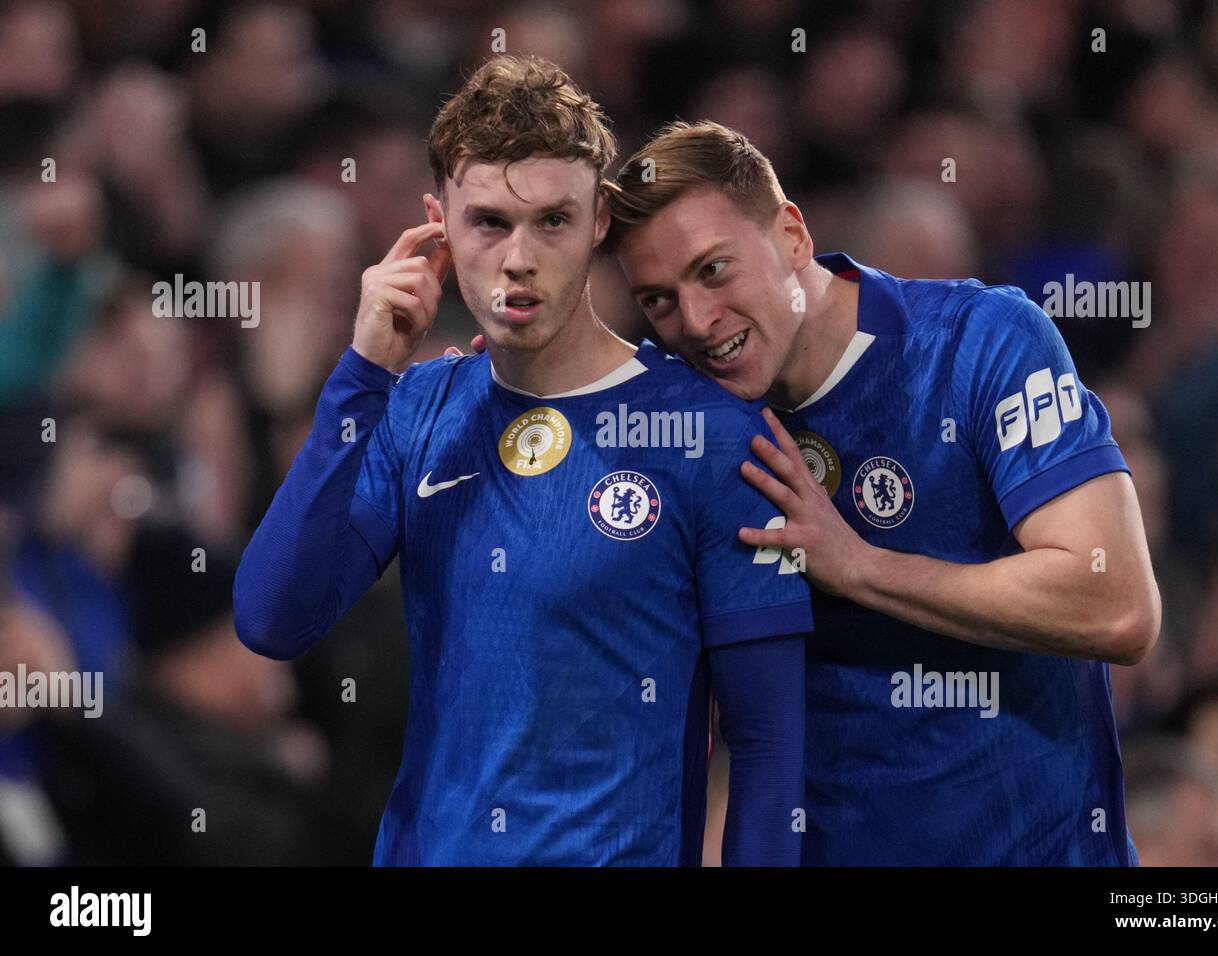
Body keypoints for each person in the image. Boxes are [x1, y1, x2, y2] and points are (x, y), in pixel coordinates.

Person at [234, 59, 811, 866]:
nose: (518, 258)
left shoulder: (713, 435)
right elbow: (272, 618)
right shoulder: (415, 409)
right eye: (489, 222)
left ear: (600, 219)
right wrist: (361, 377)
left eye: (552, 221)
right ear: (438, 223)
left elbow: (769, 743)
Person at [602, 120, 1162, 865]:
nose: (697, 322)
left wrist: (860, 566)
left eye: (713, 271)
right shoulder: (683, 416)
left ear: (792, 236)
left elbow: (1116, 603)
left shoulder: (981, 343)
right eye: (660, 301)